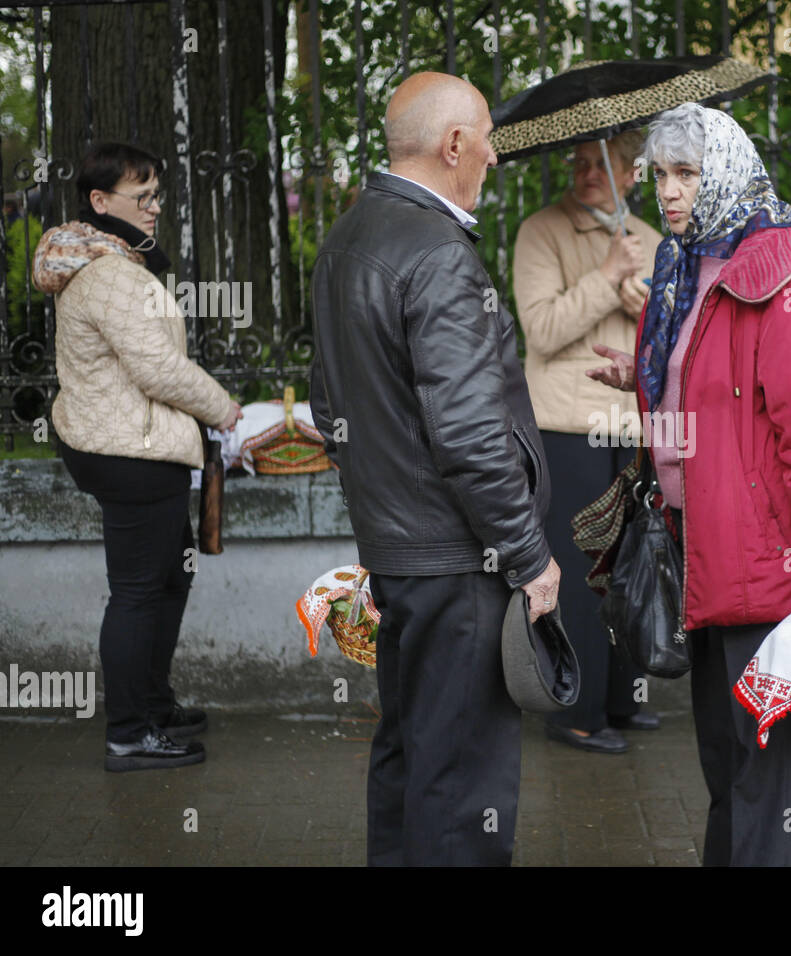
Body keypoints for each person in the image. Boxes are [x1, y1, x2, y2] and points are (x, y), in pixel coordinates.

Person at [588, 103, 791, 866]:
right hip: (703, 555)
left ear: (725, 172)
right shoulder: (686, 263)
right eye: (659, 175)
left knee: (761, 778)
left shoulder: (774, 269)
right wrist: (642, 381)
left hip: (766, 563)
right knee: (725, 765)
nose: (669, 193)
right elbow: (710, 392)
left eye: (686, 173)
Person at [308, 72, 560, 866]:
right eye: (486, 136)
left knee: (410, 755)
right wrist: (529, 556)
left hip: (398, 554)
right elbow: (471, 437)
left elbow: (328, 409)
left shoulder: (349, 235)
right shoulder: (440, 254)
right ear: (454, 144)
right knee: (462, 786)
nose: (492, 154)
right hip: (459, 563)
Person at [32, 141, 243, 772]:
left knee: (168, 579)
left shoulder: (110, 261)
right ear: (100, 202)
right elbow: (157, 369)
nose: (155, 208)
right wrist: (223, 407)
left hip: (129, 443)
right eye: (141, 196)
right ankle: (129, 733)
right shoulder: (112, 272)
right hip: (129, 452)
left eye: (157, 194)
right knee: (137, 592)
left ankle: (152, 704)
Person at [512, 133, 664, 754]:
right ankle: (574, 708)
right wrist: (606, 278)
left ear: (628, 175)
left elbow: (673, 338)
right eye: (576, 163)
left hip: (631, 426)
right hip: (564, 426)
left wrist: (640, 295)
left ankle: (621, 700)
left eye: (599, 165)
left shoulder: (652, 241)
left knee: (630, 566)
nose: (584, 173)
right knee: (578, 572)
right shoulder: (541, 232)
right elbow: (541, 329)